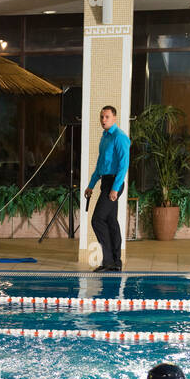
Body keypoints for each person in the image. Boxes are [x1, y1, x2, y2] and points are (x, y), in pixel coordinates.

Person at [84, 105, 130, 272]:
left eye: (107, 117)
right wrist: (91, 185)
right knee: (111, 221)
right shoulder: (104, 137)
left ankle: (109, 260)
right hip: (105, 182)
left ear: (114, 118)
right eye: (102, 117)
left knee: (97, 219)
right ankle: (116, 262)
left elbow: (124, 166)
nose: (103, 120)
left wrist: (115, 189)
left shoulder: (120, 137)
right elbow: (100, 165)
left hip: (114, 184)